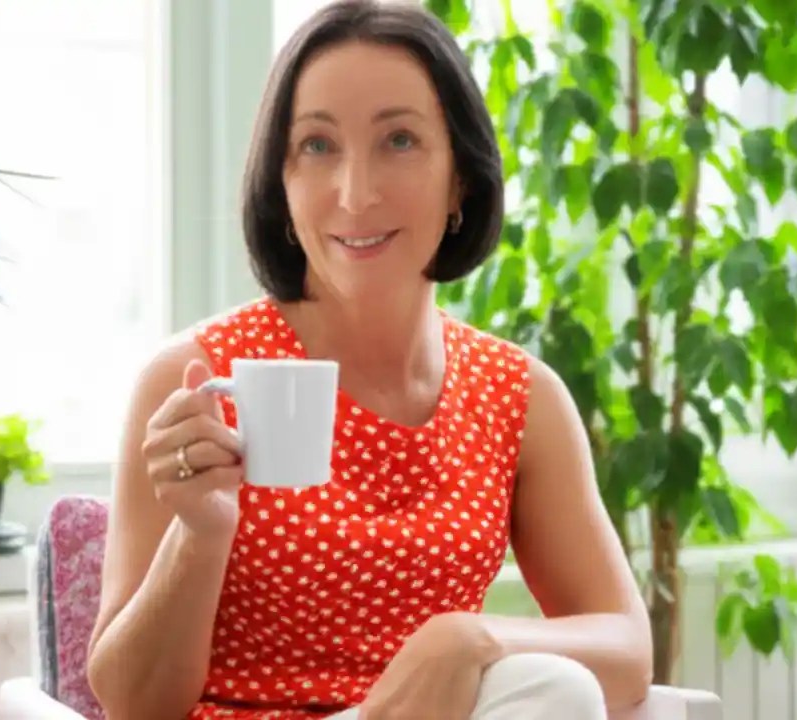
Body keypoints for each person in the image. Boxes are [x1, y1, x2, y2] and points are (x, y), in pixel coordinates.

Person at [86, 1, 653, 718]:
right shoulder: (192, 379)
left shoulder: (519, 396)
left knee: (558, 687)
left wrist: (469, 638)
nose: (356, 193)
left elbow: (627, 649)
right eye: (318, 146)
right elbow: (131, 704)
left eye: (400, 140)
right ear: (282, 181)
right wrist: (199, 532)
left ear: (461, 179)